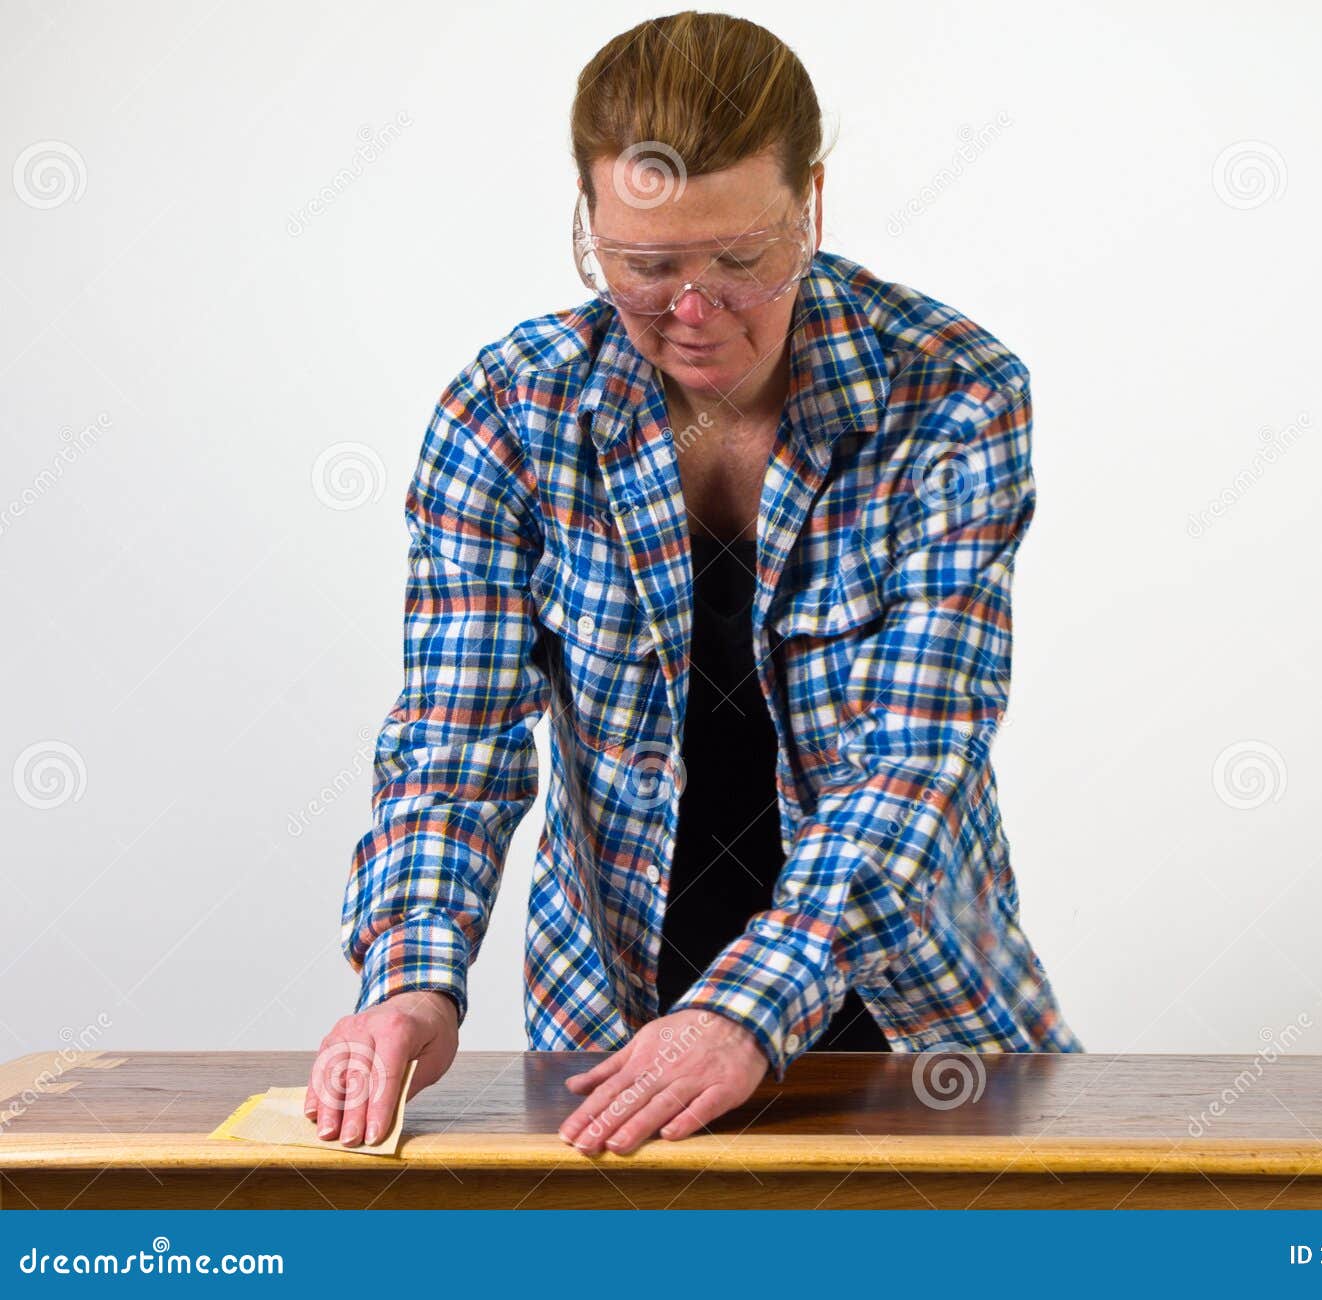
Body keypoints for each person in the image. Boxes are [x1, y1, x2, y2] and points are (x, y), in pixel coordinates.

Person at [304, 10, 1083, 1158]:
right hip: (616, 1029)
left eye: (740, 261)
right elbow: (452, 744)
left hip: (925, 1018)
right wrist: (414, 977)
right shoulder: (509, 413)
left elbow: (915, 757)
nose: (695, 312)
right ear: (588, 221)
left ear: (810, 201)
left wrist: (740, 1009)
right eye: (649, 265)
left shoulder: (955, 397)